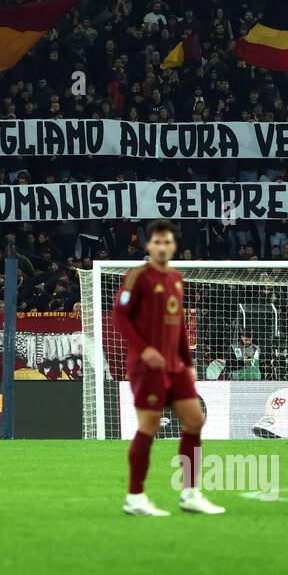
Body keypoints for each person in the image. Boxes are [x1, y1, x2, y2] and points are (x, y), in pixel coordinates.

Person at [112, 219, 224, 516]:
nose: (162, 247)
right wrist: (145, 349)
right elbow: (119, 318)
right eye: (156, 242)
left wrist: (188, 363)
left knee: (195, 421)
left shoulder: (176, 278)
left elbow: (177, 328)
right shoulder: (137, 276)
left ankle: (190, 493)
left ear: (174, 246)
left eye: (167, 242)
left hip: (175, 367)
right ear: (148, 245)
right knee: (149, 426)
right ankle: (135, 497)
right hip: (147, 366)